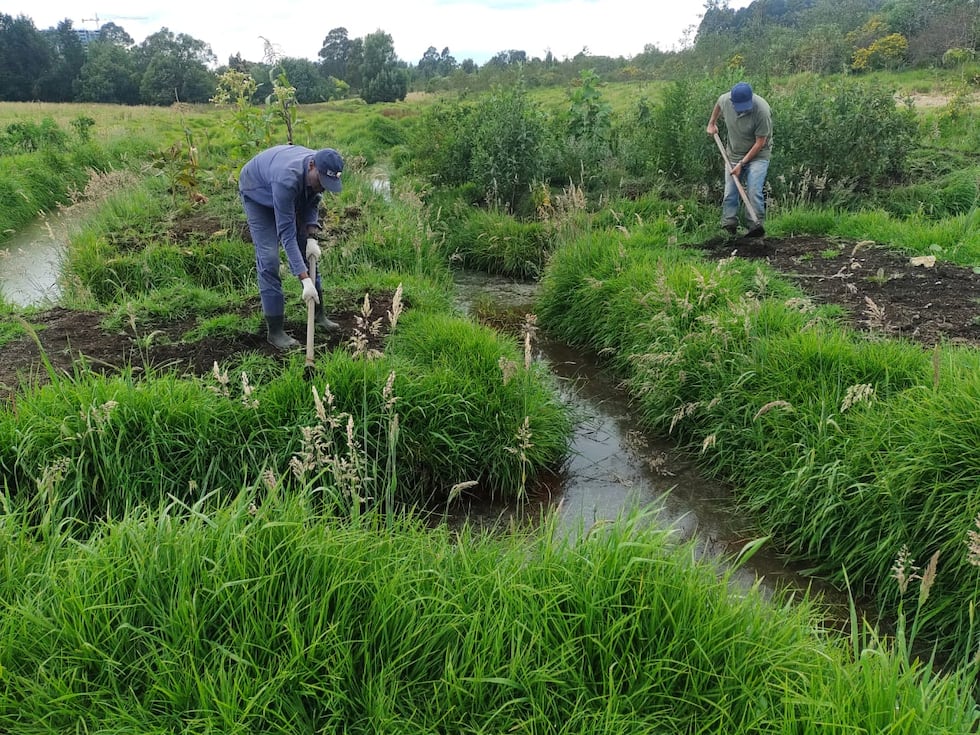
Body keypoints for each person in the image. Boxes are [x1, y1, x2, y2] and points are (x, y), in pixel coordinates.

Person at [238, 145, 344, 350]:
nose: (323, 187)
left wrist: (311, 236)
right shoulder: (287, 178)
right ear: (312, 166)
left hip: (286, 189)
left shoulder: (319, 168)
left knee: (306, 251)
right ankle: (275, 331)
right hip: (257, 192)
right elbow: (286, 234)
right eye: (321, 182)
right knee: (269, 258)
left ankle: (319, 315)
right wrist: (304, 280)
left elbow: (313, 200)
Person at [706, 82, 772, 238]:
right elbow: (718, 104)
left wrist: (742, 164)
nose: (743, 109)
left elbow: (760, 142)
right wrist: (712, 123)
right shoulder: (725, 100)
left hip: (758, 155)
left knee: (754, 190)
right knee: (730, 192)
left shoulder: (762, 110)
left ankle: (755, 228)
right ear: (732, 102)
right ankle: (729, 227)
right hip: (734, 154)